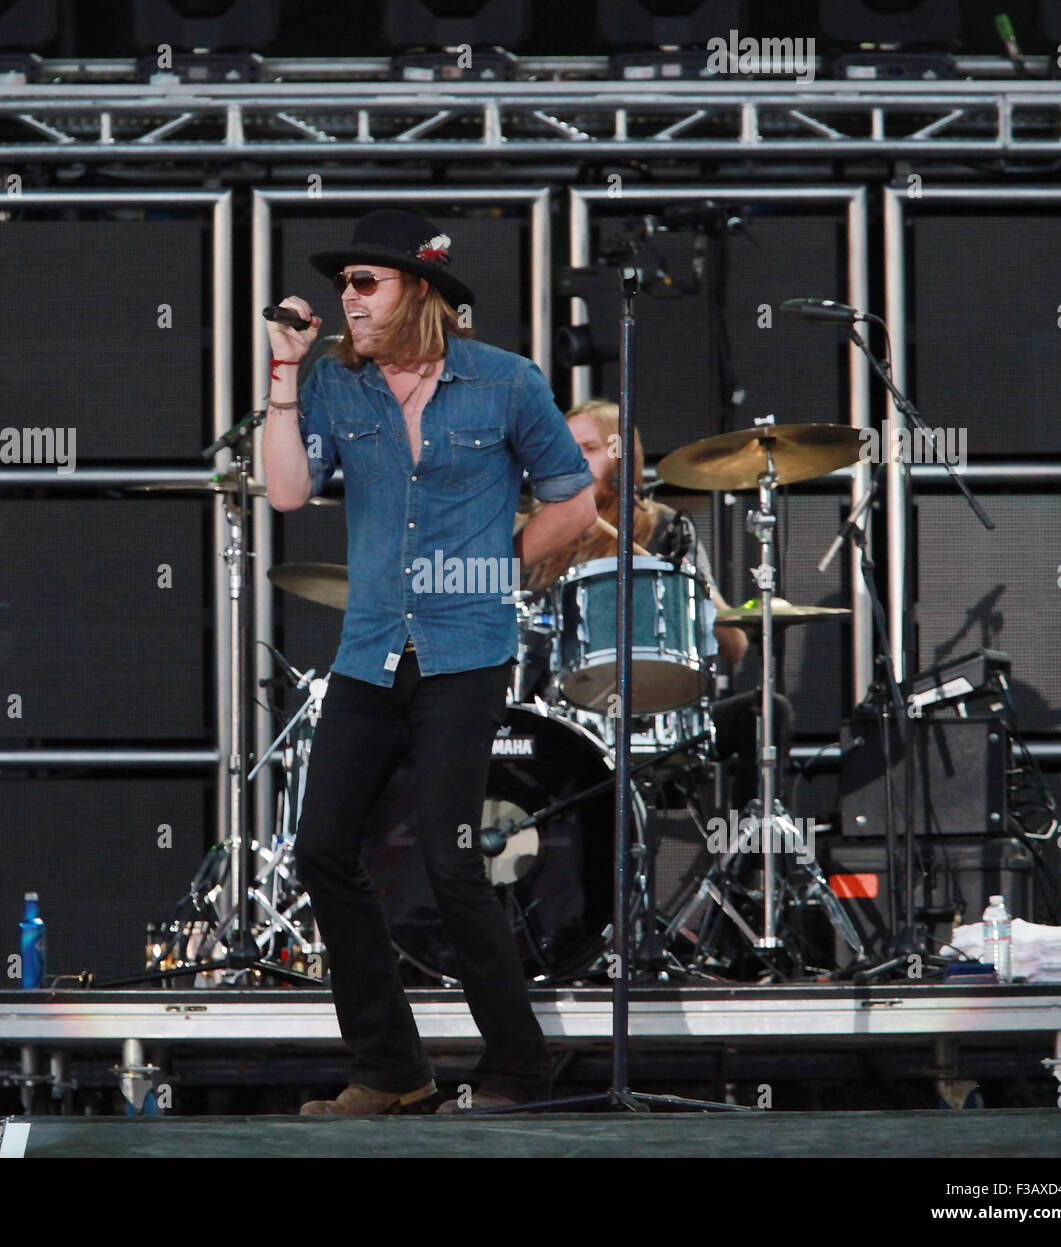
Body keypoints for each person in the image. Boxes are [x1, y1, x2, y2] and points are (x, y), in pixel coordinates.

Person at [263, 209, 596, 1115]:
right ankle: (392, 1068)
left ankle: (520, 1066)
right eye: (342, 286)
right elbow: (287, 491)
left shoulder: (506, 383)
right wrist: (286, 377)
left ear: (420, 289)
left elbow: (574, 496)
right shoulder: (336, 385)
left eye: (363, 283)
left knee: (453, 858)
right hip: (370, 649)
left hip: (465, 651)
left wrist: (501, 564)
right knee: (323, 848)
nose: (347, 301)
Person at [524, 399, 793, 810]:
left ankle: (749, 857)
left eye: (590, 449)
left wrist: (682, 581)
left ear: (621, 457)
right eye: (568, 448)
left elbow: (734, 646)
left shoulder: (665, 528)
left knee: (768, 711)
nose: (576, 459)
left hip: (658, 718)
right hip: (565, 723)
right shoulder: (536, 537)